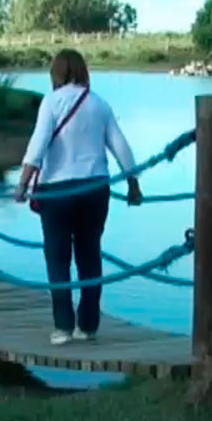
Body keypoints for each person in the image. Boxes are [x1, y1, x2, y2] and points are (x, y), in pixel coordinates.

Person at [14, 49, 142, 346]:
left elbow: (38, 145)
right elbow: (120, 146)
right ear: (83, 71)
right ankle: (88, 325)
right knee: (90, 255)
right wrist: (133, 183)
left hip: (57, 192)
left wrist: (22, 184)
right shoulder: (99, 104)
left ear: (55, 73)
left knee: (57, 258)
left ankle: (63, 327)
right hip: (95, 188)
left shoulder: (51, 102)